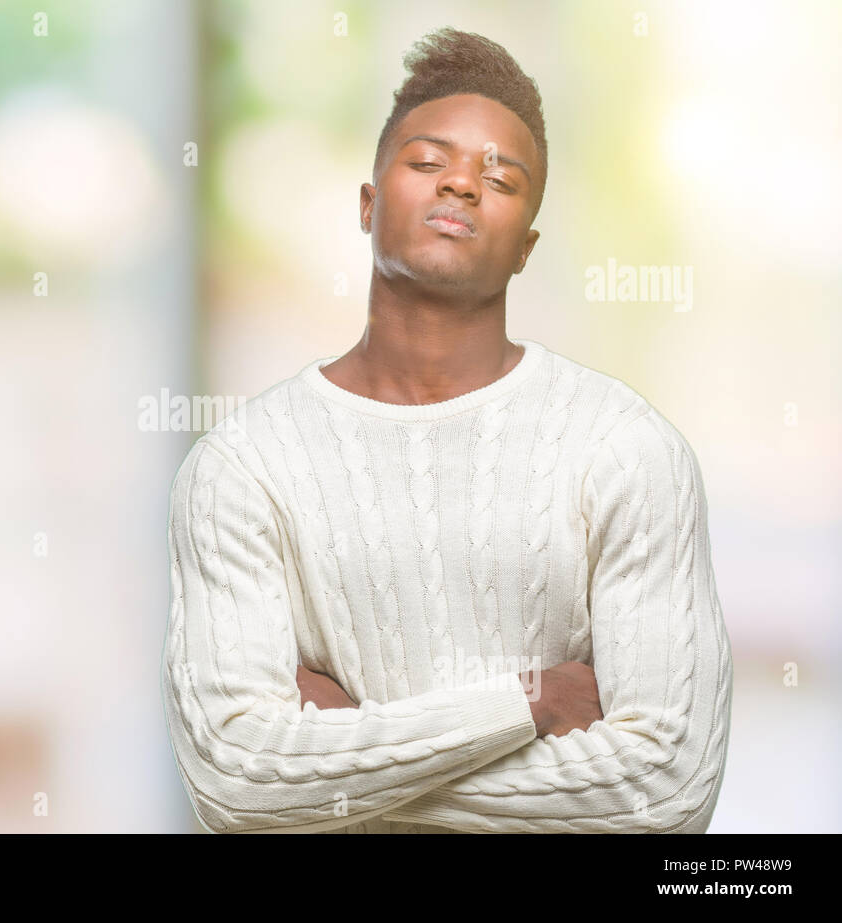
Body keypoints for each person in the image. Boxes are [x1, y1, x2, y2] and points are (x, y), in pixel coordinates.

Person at [160, 27, 731, 834]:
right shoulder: (244, 467)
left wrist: (345, 762)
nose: (461, 183)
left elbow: (666, 792)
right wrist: (528, 704)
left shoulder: (627, 450)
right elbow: (235, 780)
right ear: (367, 204)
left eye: (500, 177)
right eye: (428, 162)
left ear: (527, 247)